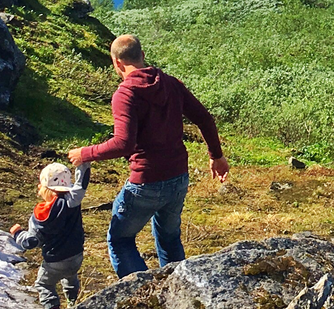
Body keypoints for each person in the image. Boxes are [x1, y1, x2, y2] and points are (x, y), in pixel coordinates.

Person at [69, 34, 229, 279]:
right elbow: (204, 118)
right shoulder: (171, 83)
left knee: (120, 240)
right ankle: (179, 292)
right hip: (178, 178)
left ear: (117, 63)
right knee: (169, 238)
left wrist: (85, 153)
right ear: (142, 56)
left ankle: (144, 294)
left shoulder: (125, 94)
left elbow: (123, 144)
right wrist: (216, 156)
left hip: (145, 183)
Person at [10, 162, 91, 309]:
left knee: (44, 284)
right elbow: (81, 185)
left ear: (47, 189)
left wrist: (18, 233)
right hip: (76, 255)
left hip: (55, 260)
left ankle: (52, 306)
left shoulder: (41, 215)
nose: (38, 187)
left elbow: (32, 241)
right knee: (70, 275)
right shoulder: (72, 202)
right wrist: (83, 164)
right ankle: (73, 301)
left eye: (41, 184)